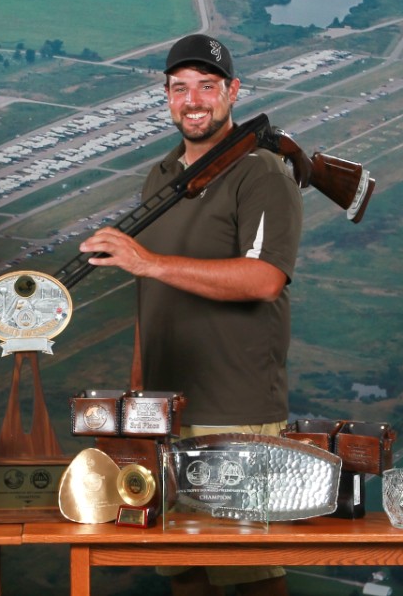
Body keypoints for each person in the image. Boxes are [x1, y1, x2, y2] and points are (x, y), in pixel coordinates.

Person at [79, 34, 303, 596]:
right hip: (165, 411)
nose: (193, 99)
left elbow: (263, 279)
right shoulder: (162, 178)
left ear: (233, 91)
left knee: (249, 573)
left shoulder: (262, 173)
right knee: (185, 572)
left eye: (207, 85)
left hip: (235, 408)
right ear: (166, 96)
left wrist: (149, 262)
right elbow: (148, 298)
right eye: (181, 88)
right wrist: (137, 398)